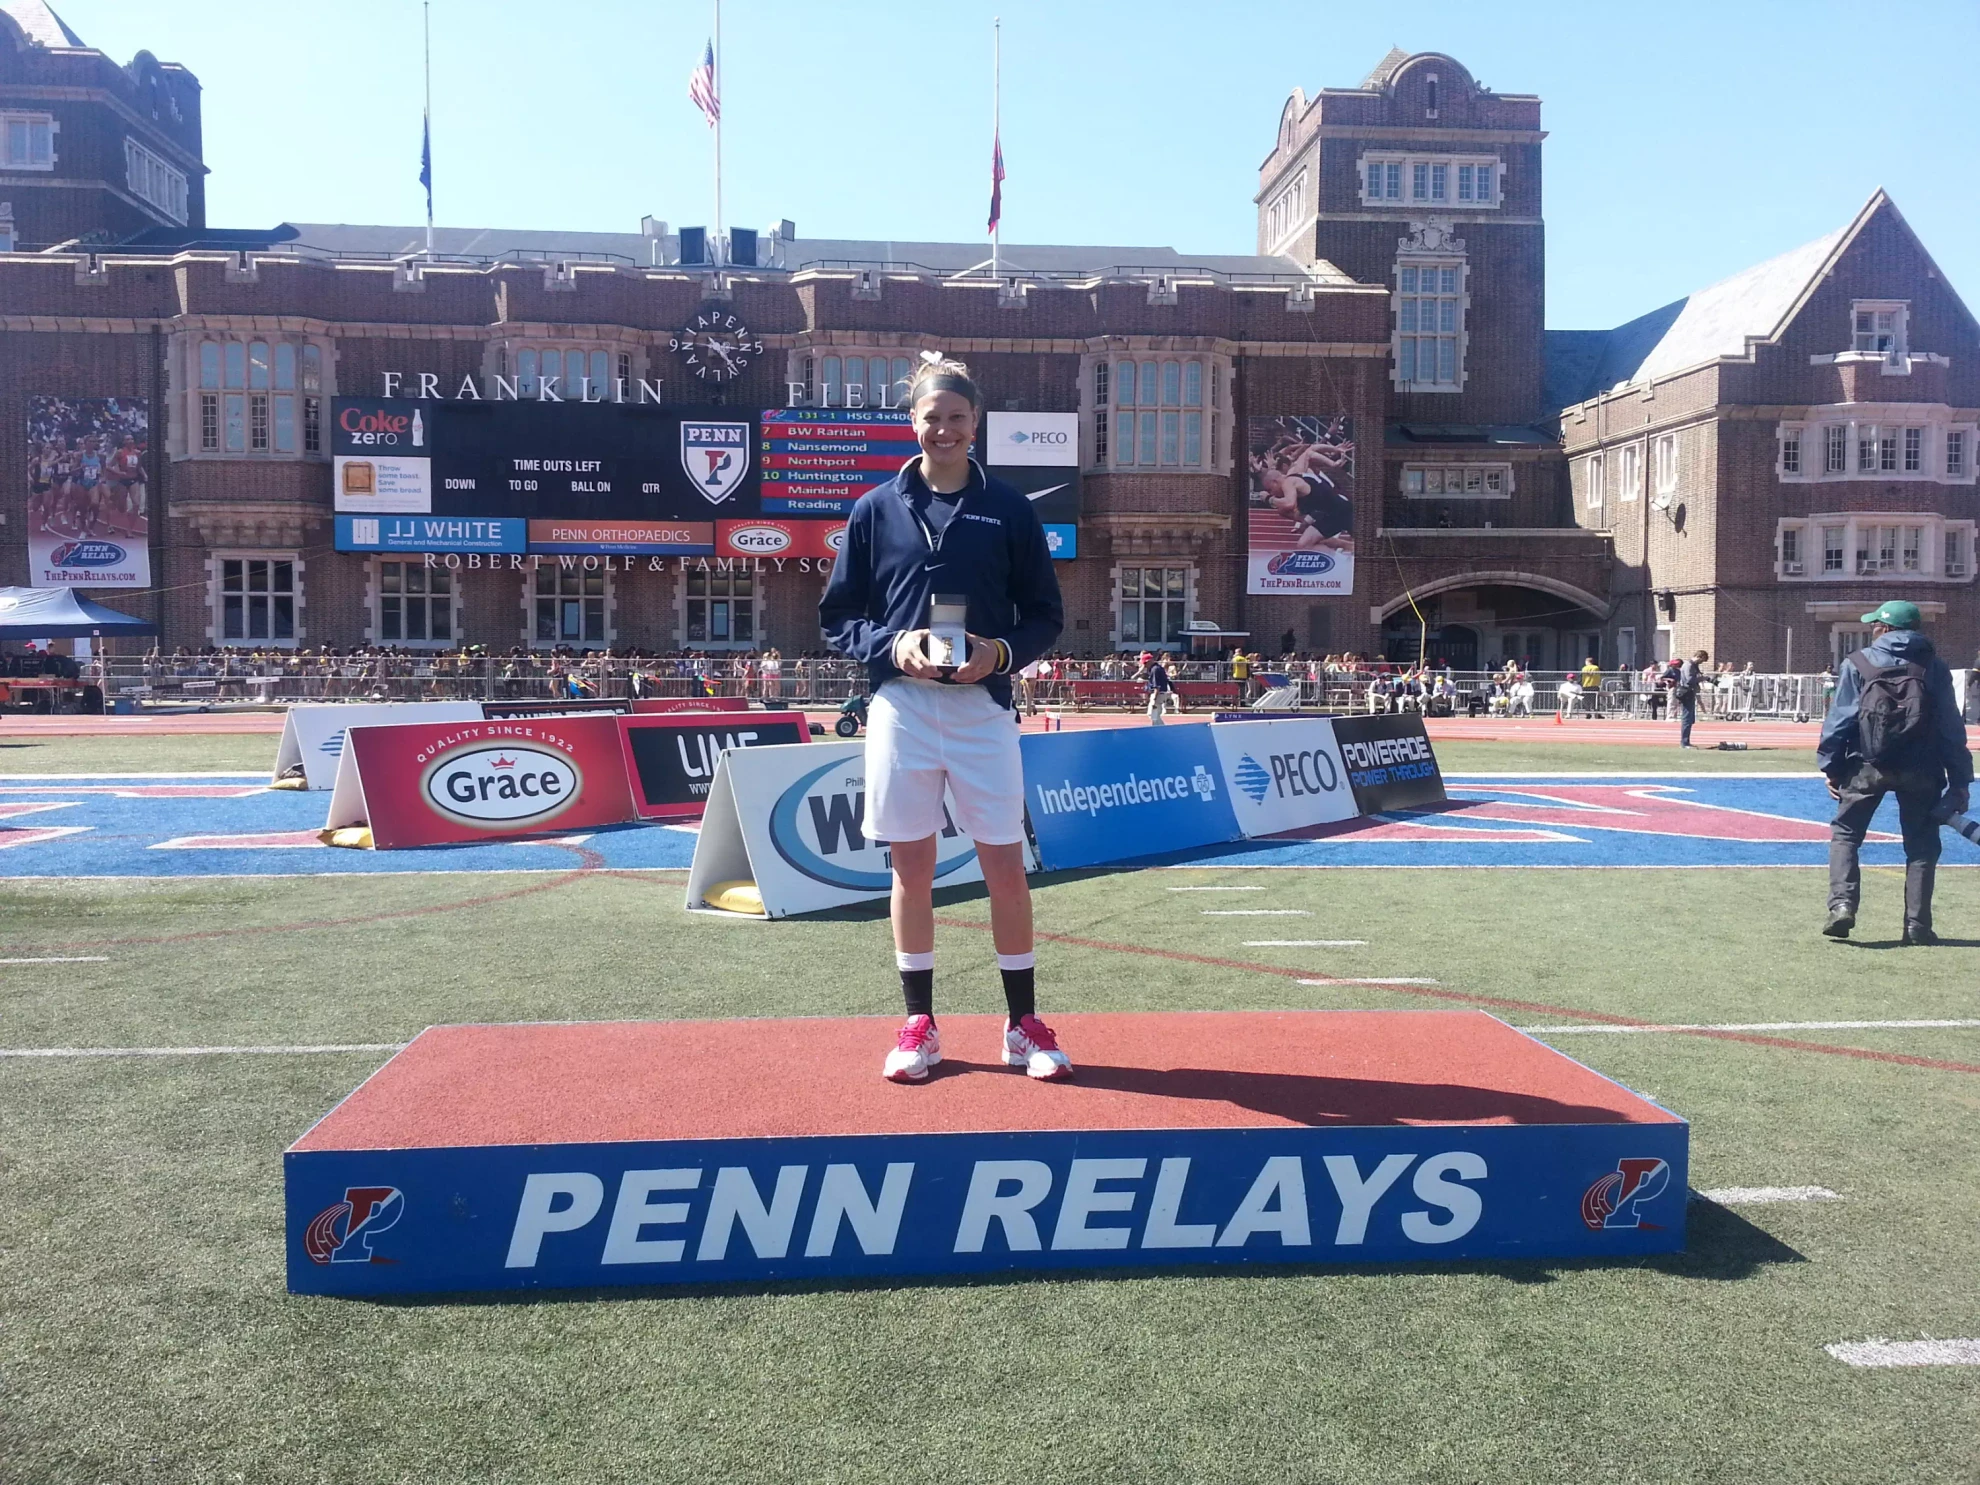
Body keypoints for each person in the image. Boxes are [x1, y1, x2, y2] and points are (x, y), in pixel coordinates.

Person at [819, 356, 1071, 1083]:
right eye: (932, 417)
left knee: (1004, 865)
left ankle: (1023, 1023)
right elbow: (839, 617)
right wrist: (892, 644)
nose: (945, 429)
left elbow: (1045, 615)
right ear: (914, 423)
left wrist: (1000, 651)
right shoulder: (874, 508)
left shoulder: (1013, 509)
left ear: (974, 423)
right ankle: (919, 1023)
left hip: (981, 708)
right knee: (912, 868)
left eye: (957, 417)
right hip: (900, 705)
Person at [1817, 601, 1972, 944]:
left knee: (1846, 834)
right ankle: (1917, 925)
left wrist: (1831, 767)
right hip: (1922, 767)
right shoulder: (1934, 666)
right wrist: (1960, 782)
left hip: (1866, 764)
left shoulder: (1858, 663)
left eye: (1875, 625)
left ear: (1884, 629)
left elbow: (1839, 721)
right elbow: (1951, 728)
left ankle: (1842, 905)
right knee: (1921, 846)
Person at [1674, 649, 1708, 746]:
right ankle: (1684, 742)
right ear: (1699, 656)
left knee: (1690, 718)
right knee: (1687, 718)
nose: (1701, 663)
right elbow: (1689, 680)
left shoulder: (1693, 665)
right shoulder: (1688, 665)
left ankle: (1686, 741)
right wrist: (1703, 678)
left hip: (1690, 692)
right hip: (1686, 692)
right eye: (1701, 660)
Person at [1141, 649, 1176, 723]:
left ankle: (1160, 729)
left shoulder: (1155, 669)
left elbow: (1156, 685)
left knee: (1153, 715)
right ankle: (1158, 728)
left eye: (1145, 663)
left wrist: (1154, 699)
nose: (1145, 665)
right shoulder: (1158, 667)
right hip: (1162, 693)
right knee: (1154, 715)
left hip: (1158, 694)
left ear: (1149, 661)